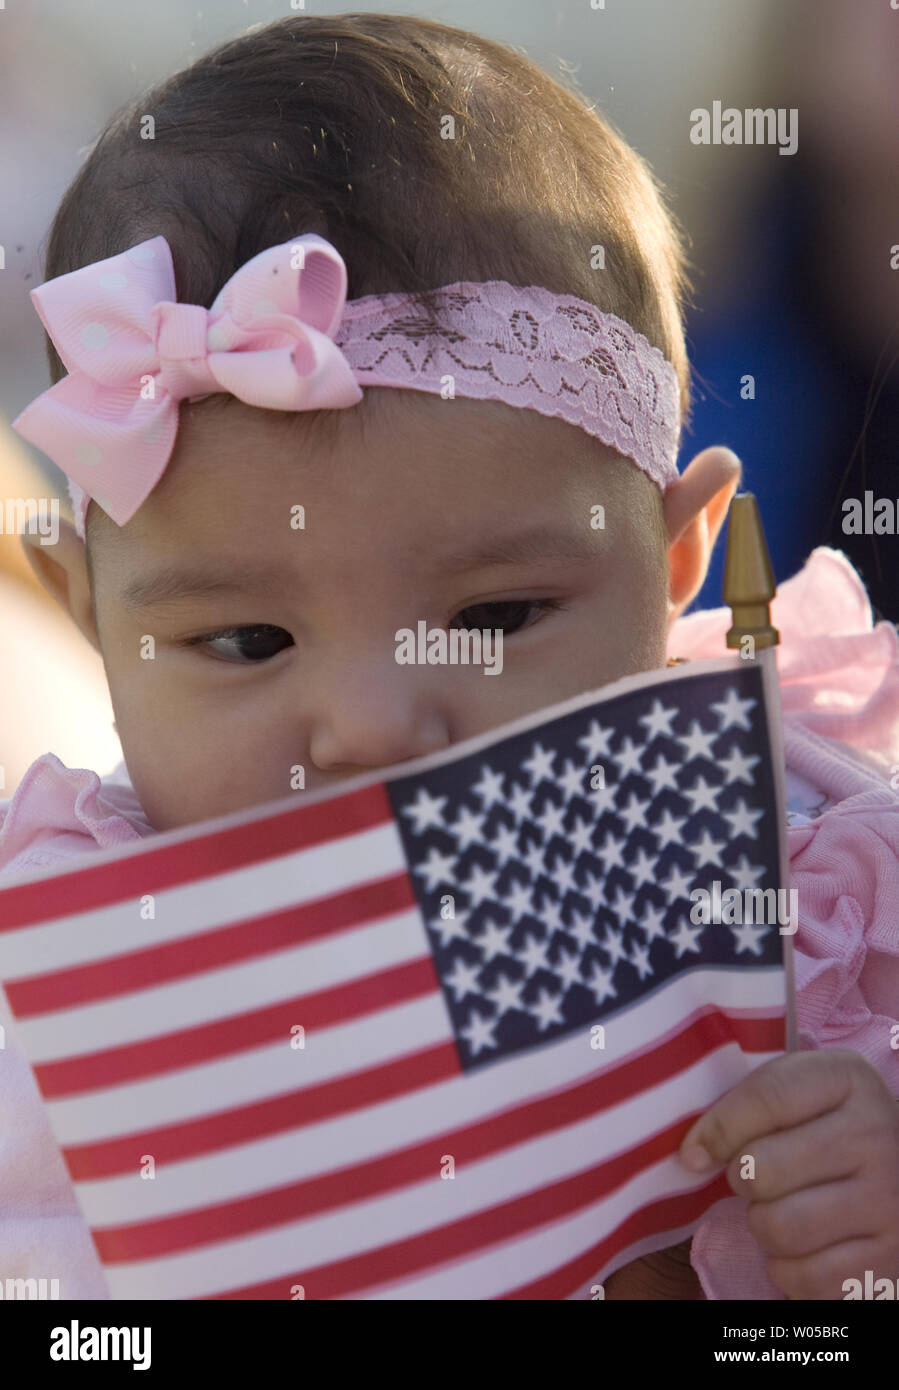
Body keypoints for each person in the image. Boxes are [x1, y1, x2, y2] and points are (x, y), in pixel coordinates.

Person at [2, 12, 898, 1301]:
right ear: (92, 624)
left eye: (496, 618)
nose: (368, 725)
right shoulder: (71, 986)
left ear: (675, 561)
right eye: (248, 640)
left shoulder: (817, 902)